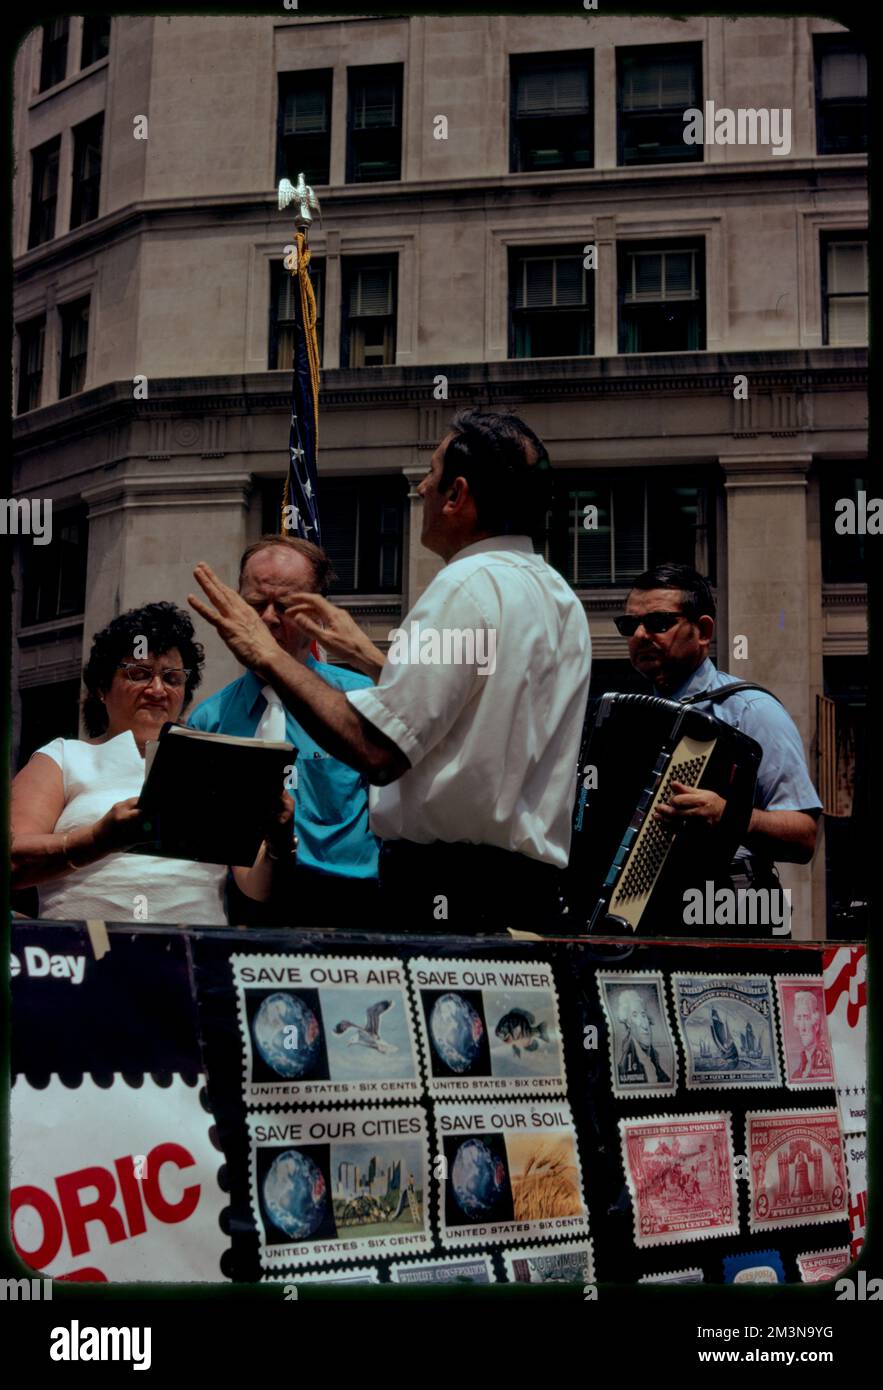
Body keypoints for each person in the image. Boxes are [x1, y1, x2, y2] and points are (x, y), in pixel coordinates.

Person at [188, 410, 592, 931]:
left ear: (457, 494)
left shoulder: (465, 585)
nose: (421, 486)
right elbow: (478, 707)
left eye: (431, 472)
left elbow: (378, 752)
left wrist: (264, 654)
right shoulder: (557, 596)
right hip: (524, 894)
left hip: (450, 893)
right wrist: (378, 662)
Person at [10, 603, 292, 925]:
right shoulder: (63, 757)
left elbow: (256, 886)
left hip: (193, 957)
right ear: (102, 687)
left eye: (172, 678)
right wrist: (98, 840)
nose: (157, 690)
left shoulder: (215, 761)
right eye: (139, 674)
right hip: (83, 957)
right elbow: (13, 860)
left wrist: (279, 844)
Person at [186, 536, 379, 923]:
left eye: (285, 606)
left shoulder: (363, 701)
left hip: (349, 908)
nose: (268, 619)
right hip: (245, 911)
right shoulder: (208, 721)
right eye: (255, 605)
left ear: (319, 614)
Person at [617, 562, 821, 885]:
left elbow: (805, 836)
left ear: (704, 631)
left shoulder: (752, 710)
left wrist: (727, 816)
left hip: (731, 907)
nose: (640, 635)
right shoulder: (624, 721)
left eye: (658, 622)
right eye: (629, 625)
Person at [616, 989, 670, 1085]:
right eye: (635, 1015)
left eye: (643, 1015)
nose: (644, 1025)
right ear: (628, 1022)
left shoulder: (654, 1058)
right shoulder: (624, 1067)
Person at [791, 990, 830, 1080]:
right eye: (799, 1018)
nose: (802, 1027)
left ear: (816, 1025)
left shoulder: (826, 1060)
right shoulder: (798, 1073)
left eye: (806, 1018)